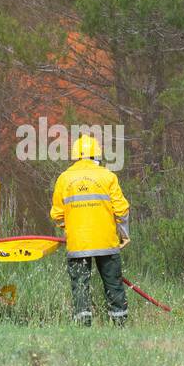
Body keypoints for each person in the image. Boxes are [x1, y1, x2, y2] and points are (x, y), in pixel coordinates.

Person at [50, 133, 130, 325]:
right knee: (113, 284)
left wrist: (69, 228)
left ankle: (83, 325)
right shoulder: (108, 176)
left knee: (80, 286)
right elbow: (122, 210)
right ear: (97, 155)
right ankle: (119, 325)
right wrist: (124, 234)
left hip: (78, 244)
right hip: (106, 242)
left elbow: (57, 214)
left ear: (75, 155)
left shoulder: (64, 179)